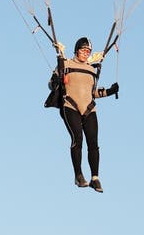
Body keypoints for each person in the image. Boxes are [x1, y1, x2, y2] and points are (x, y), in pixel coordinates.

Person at [50, 36, 118, 192]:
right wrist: (56, 81)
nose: (86, 53)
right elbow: (51, 83)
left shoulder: (91, 69)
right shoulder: (65, 64)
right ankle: (78, 175)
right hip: (70, 106)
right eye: (83, 50)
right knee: (78, 138)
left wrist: (109, 91)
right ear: (77, 50)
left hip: (89, 108)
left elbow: (92, 93)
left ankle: (95, 178)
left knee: (93, 143)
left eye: (88, 51)